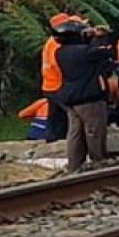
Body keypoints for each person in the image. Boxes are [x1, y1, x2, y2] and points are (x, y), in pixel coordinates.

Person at [55, 20, 116, 173]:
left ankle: (75, 166)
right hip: (89, 97)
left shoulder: (60, 52)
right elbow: (108, 51)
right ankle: (99, 163)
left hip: (71, 97)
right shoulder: (85, 52)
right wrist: (102, 36)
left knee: (75, 133)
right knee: (94, 131)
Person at [40, 12, 73, 142]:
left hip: (50, 85)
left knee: (55, 116)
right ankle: (57, 141)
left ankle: (52, 140)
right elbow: (58, 64)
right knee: (69, 113)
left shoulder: (51, 42)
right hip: (57, 85)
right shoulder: (56, 43)